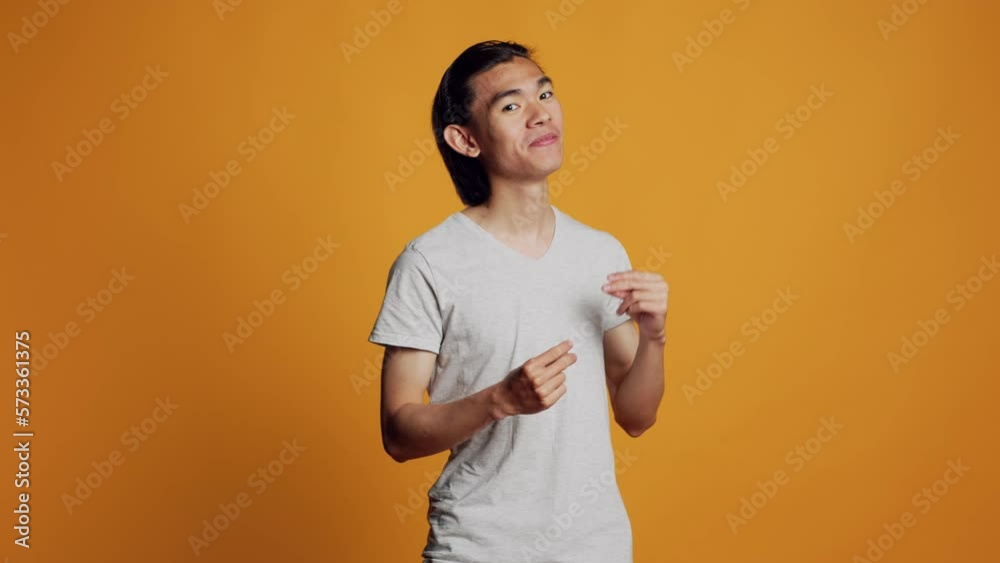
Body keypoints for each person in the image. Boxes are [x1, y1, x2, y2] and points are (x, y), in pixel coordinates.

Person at [368, 40, 668, 563]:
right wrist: (499, 401)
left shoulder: (600, 252)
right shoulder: (429, 262)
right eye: (511, 105)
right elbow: (398, 432)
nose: (540, 113)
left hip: (596, 548)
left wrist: (656, 338)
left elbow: (637, 416)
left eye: (545, 94)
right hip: (480, 548)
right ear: (465, 139)